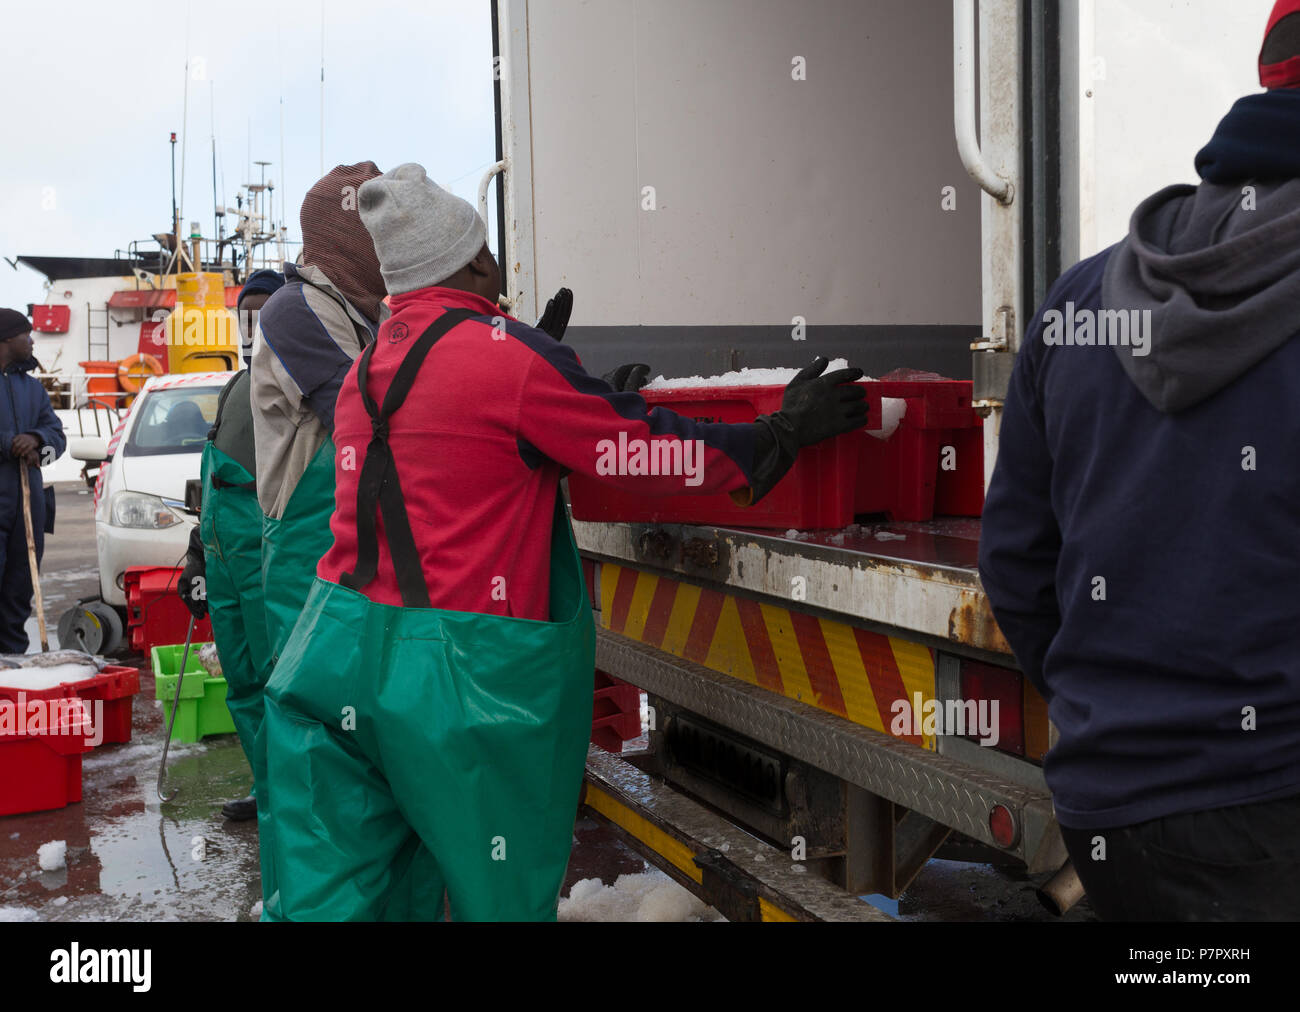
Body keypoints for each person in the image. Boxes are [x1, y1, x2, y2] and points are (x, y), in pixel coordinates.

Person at [259, 163, 869, 921]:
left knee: (346, 900)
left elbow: (456, 439)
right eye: (490, 255)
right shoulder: (508, 356)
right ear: (472, 259)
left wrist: (553, 378)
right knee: (501, 897)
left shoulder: (370, 368)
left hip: (330, 662)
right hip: (455, 684)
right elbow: (642, 452)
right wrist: (775, 436)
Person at [978, 0, 1300, 922]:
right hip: (1272, 817)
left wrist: (1115, 710)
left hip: (1107, 813)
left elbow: (1016, 563)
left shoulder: (1084, 296)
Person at [177, 269, 284, 822]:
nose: (255, 325)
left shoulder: (296, 387)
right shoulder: (234, 387)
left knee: (277, 682)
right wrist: (197, 553)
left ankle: (293, 797)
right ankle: (267, 789)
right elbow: (213, 483)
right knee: (242, 683)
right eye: (247, 314)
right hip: (224, 560)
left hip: (268, 561)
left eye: (267, 312)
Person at [0, 309, 65, 653]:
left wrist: (38, 441)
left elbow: (58, 440)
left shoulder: (34, 389)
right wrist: (10, 442)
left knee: (18, 595)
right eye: (26, 334)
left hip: (27, 513)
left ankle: (12, 669)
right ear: (8, 339)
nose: (32, 340)